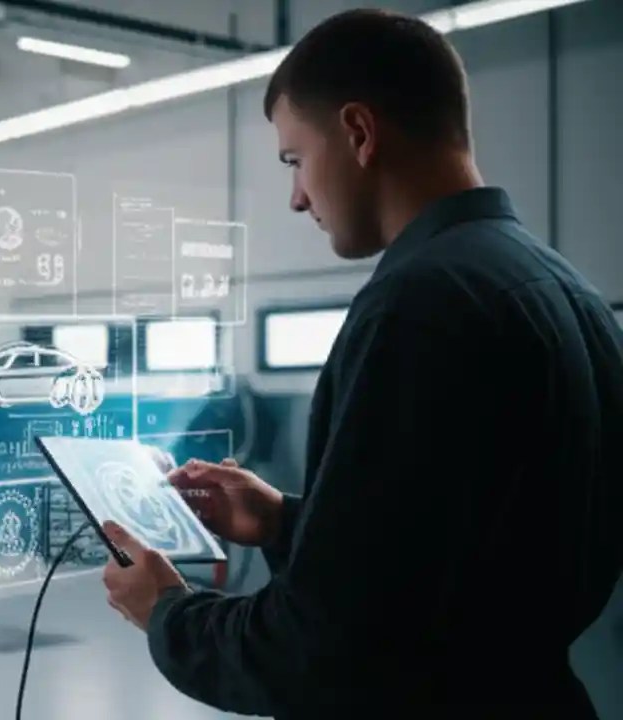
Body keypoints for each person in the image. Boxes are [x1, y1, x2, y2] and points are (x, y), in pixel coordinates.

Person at [101, 9, 623, 718]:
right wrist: (287, 524)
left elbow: (321, 653)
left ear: (358, 132)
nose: (296, 197)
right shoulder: (565, 289)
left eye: (294, 160)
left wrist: (166, 612)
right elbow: (455, 560)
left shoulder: (418, 306)